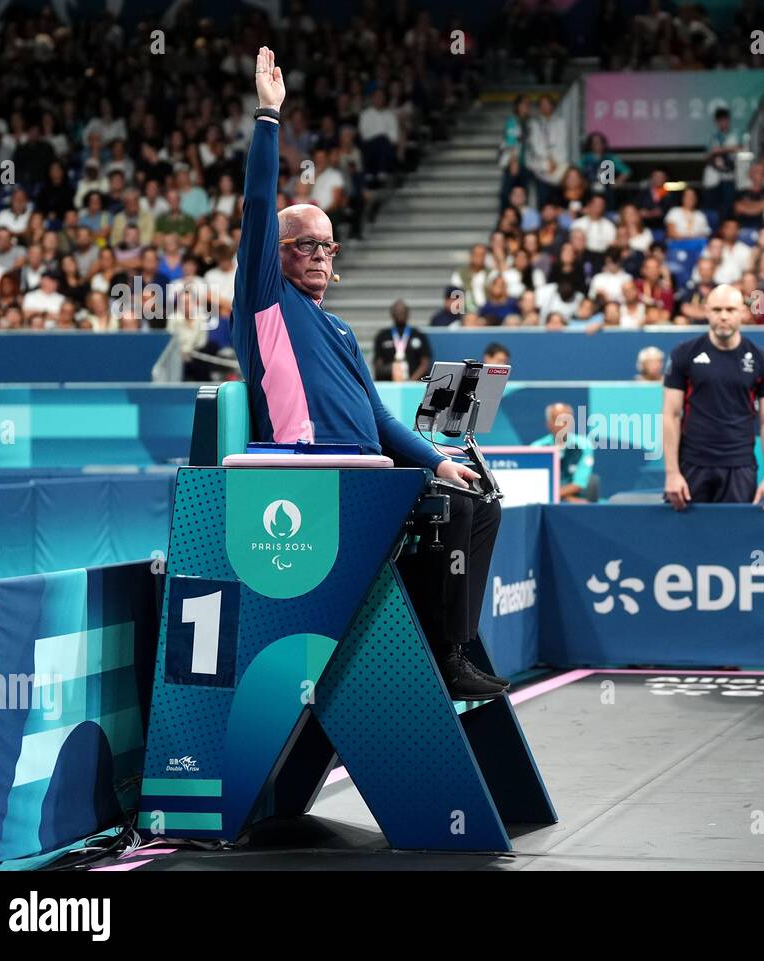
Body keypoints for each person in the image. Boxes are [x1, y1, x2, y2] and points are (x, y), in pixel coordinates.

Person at [230, 48, 507, 700]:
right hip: (316, 481)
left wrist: (437, 461)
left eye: (328, 246)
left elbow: (379, 418)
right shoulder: (266, 303)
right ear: (278, 251)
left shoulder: (343, 330)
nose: (321, 255)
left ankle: (452, 648)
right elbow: (257, 206)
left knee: (478, 498)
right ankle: (443, 659)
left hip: (369, 475)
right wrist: (269, 117)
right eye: (306, 244)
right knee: (460, 510)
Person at [662, 284, 764, 510]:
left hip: (740, 467)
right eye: (716, 310)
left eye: (730, 310)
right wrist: (672, 473)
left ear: (743, 312)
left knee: (736, 541)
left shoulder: (761, 359)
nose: (723, 316)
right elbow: (671, 414)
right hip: (692, 465)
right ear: (706, 311)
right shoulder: (683, 354)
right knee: (685, 543)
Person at [531, 402, 598, 503]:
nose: (564, 424)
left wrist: (556, 496)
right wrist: (558, 497)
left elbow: (578, 484)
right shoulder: (536, 448)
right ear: (548, 424)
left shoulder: (584, 446)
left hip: (573, 499)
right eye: (558, 420)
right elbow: (533, 484)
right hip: (543, 501)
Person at [372, 299, 432, 382]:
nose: (400, 313)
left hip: (415, 385)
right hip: (390, 385)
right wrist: (392, 369)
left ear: (408, 314)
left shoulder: (419, 335)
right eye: (397, 311)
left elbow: (425, 363)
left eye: (403, 311)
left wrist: (411, 381)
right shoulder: (382, 336)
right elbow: (378, 365)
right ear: (392, 314)